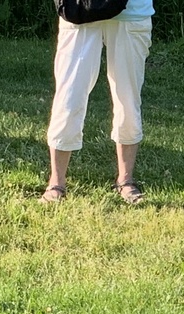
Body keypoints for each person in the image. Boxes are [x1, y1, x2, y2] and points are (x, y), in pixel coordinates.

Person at [40, 0, 155, 204]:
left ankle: (126, 180)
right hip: (77, 11)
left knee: (127, 99)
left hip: (132, 13)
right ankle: (56, 182)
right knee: (69, 97)